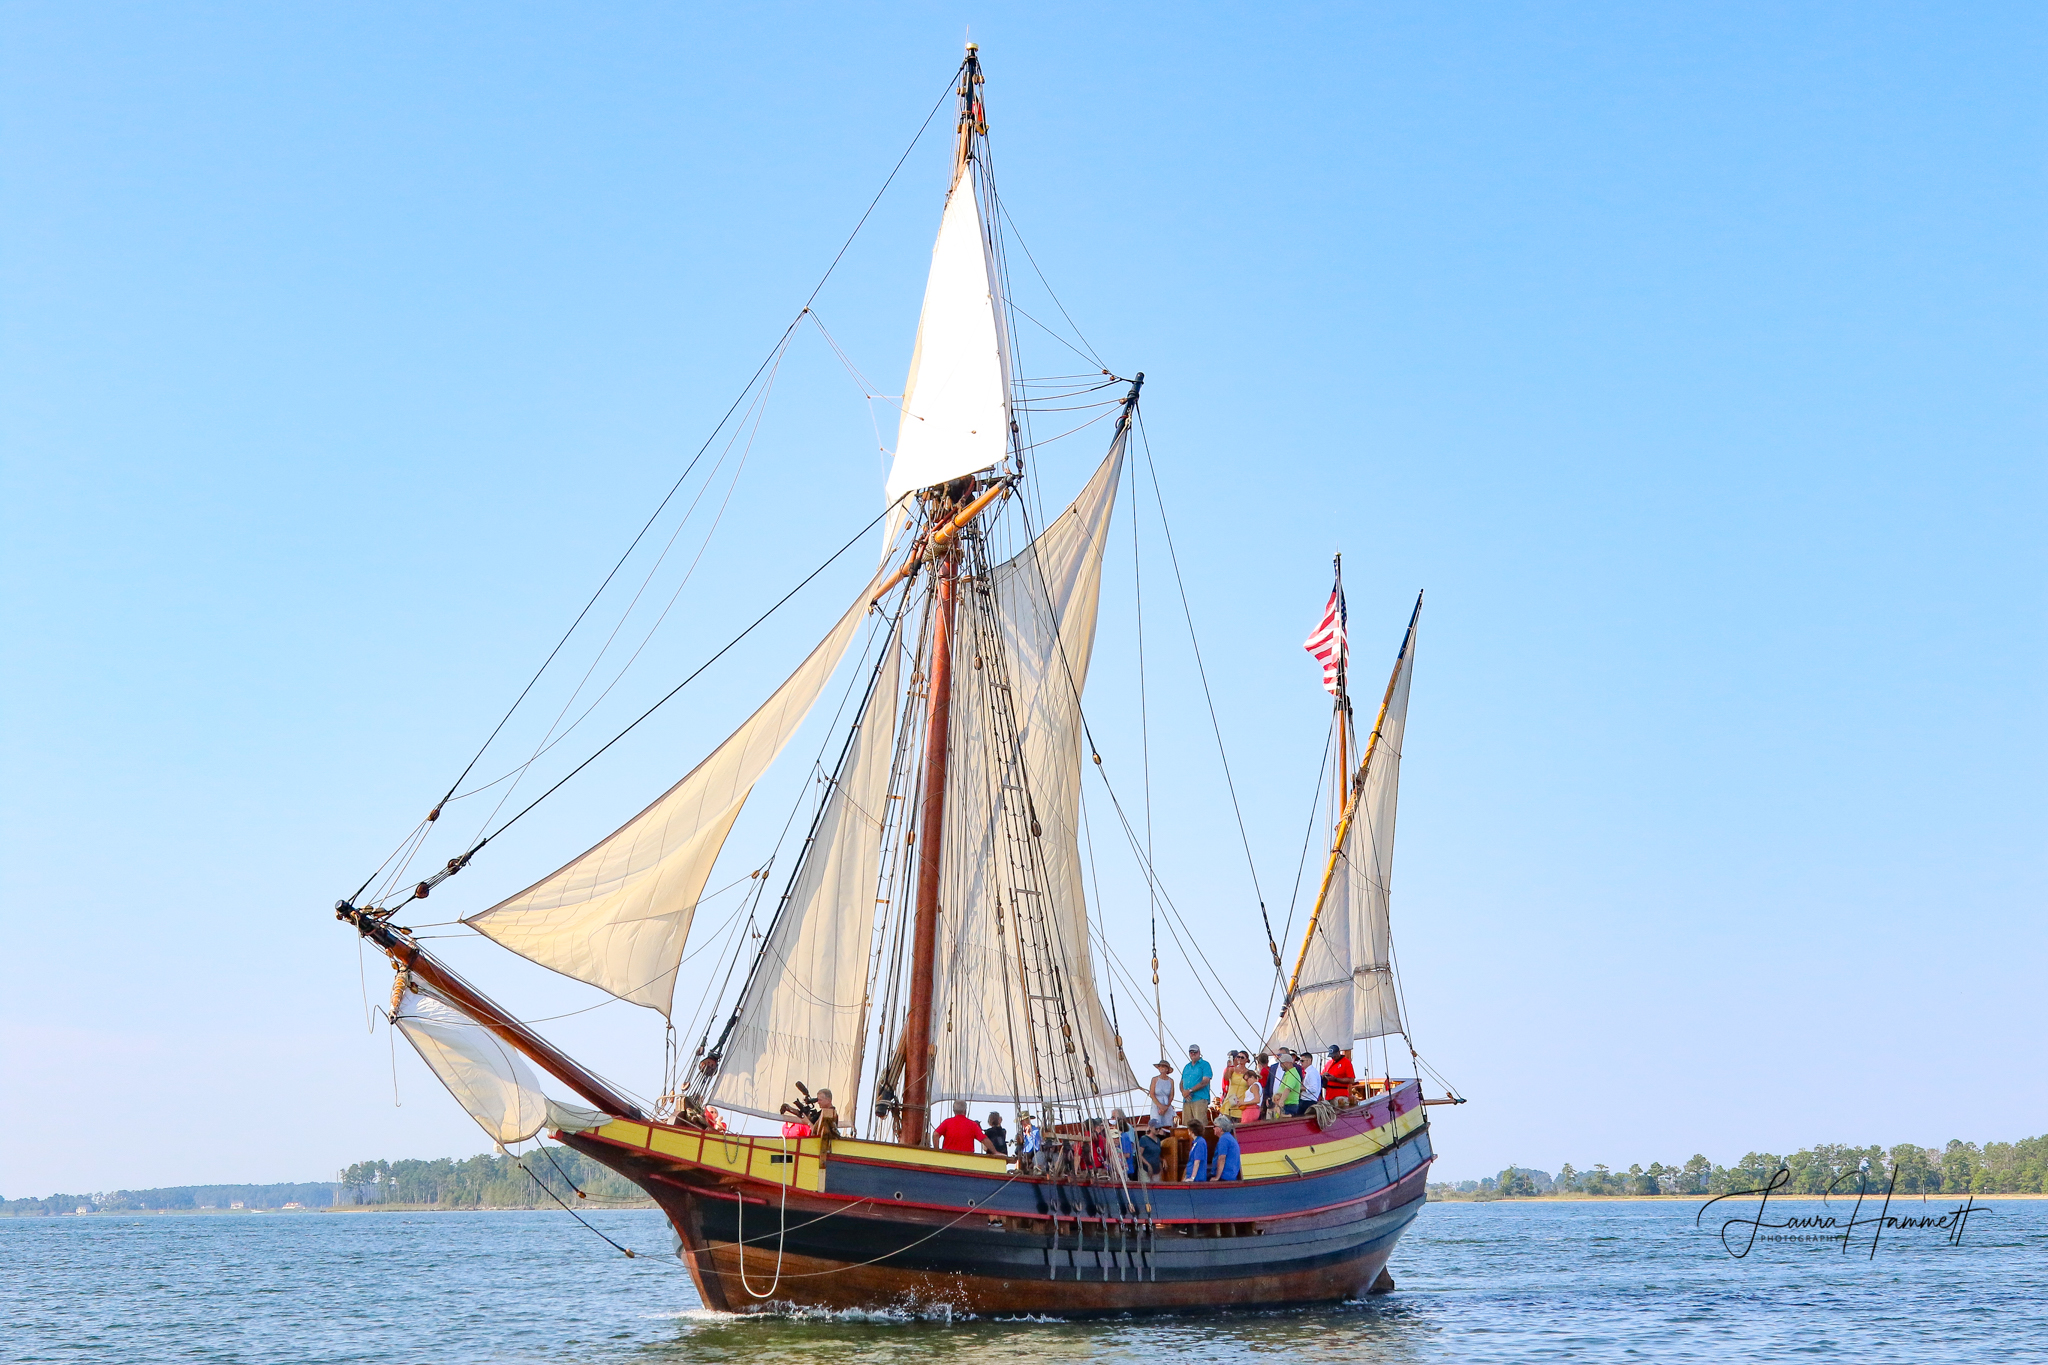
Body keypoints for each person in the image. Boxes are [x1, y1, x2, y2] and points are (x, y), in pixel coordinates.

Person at [1180, 1045, 1215, 1129]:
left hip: (1199, 1098)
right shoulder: (1187, 1067)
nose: (1193, 1054)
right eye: (1191, 1052)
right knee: (1187, 1126)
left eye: (1195, 1052)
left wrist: (1190, 1090)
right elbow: (1181, 1082)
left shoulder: (1205, 1065)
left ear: (1199, 1052)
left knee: (1200, 1125)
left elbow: (1205, 1081)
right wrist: (1183, 1092)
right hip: (1187, 1100)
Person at [1212, 1116, 1243, 1181]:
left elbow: (1222, 1158)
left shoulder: (1224, 1139)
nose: (1213, 1128)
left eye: (1215, 1126)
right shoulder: (1229, 1137)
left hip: (1225, 1176)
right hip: (1231, 1174)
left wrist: (1217, 1177)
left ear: (1220, 1129)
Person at [1148, 1059, 1176, 1128]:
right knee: (1156, 1124)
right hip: (1156, 1104)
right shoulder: (1154, 1079)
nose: (1161, 1068)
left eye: (1163, 1066)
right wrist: (1161, 1107)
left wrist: (1166, 1107)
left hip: (1167, 1105)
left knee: (1168, 1125)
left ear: (1167, 1069)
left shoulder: (1171, 1081)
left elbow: (1171, 1096)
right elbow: (1152, 1094)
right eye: (1160, 1066)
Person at [1277, 1050, 1304, 1117]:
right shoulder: (1289, 1073)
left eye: (1282, 1063)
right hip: (1287, 1105)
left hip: (1289, 1105)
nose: (1280, 1065)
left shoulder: (1292, 1074)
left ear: (1288, 1063)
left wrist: (1281, 1101)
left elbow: (1287, 1089)